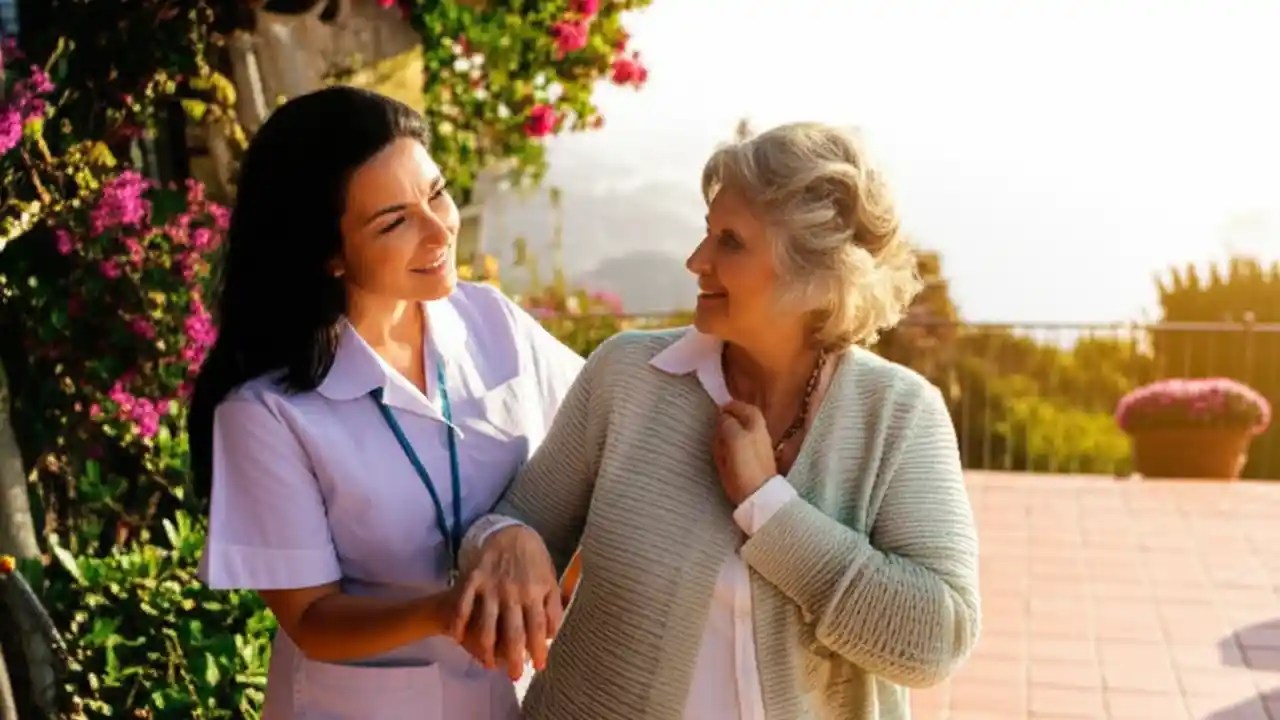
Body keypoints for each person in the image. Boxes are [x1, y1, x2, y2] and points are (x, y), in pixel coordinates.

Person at [457, 122, 982, 719]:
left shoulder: (898, 416)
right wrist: (504, 540)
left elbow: (935, 642)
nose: (696, 260)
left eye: (730, 242)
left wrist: (767, 505)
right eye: (707, 233)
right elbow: (510, 528)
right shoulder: (628, 376)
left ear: (814, 275)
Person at [189, 86, 583, 720]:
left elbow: (608, 429)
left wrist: (516, 537)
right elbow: (312, 618)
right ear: (329, 254)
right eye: (394, 221)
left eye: (437, 193)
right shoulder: (264, 412)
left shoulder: (492, 322)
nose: (439, 231)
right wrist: (446, 610)